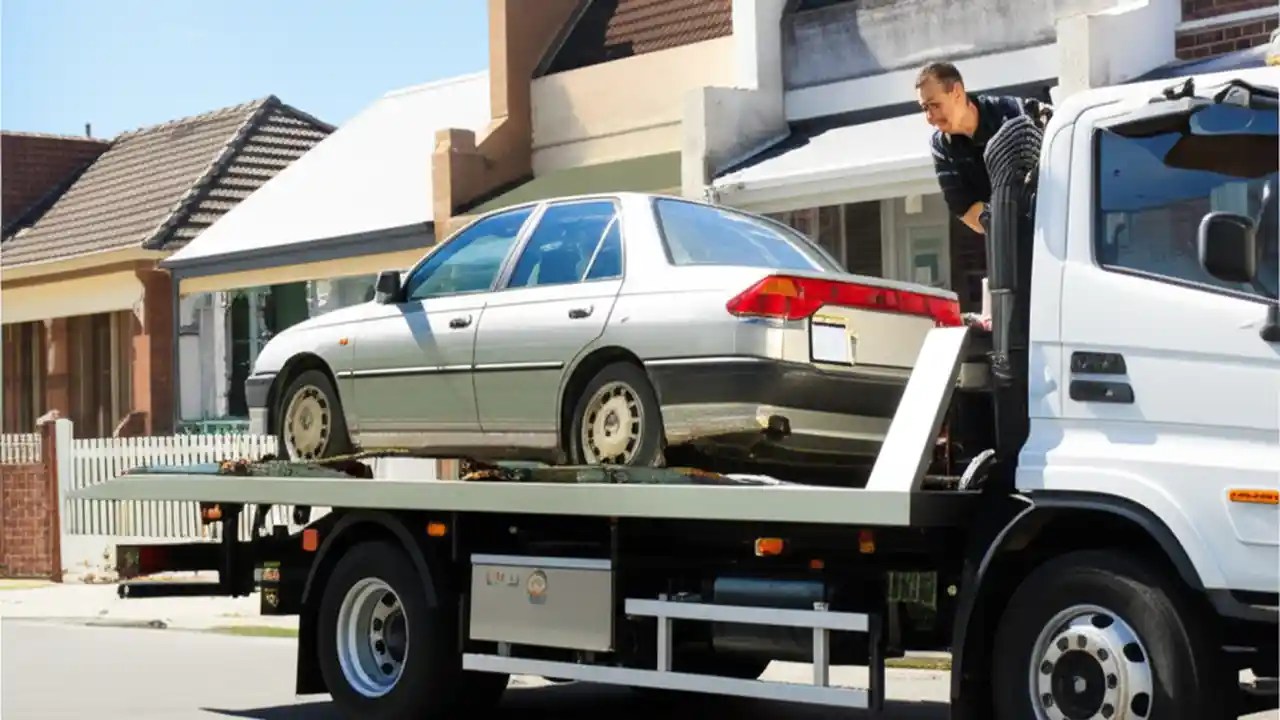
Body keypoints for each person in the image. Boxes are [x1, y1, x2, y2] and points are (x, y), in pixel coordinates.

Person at [916, 62, 1052, 235]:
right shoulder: (941, 147)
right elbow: (965, 209)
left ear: (957, 92)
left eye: (934, 105)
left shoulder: (1014, 113)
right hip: (1014, 240)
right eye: (924, 108)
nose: (929, 117)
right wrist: (1005, 224)